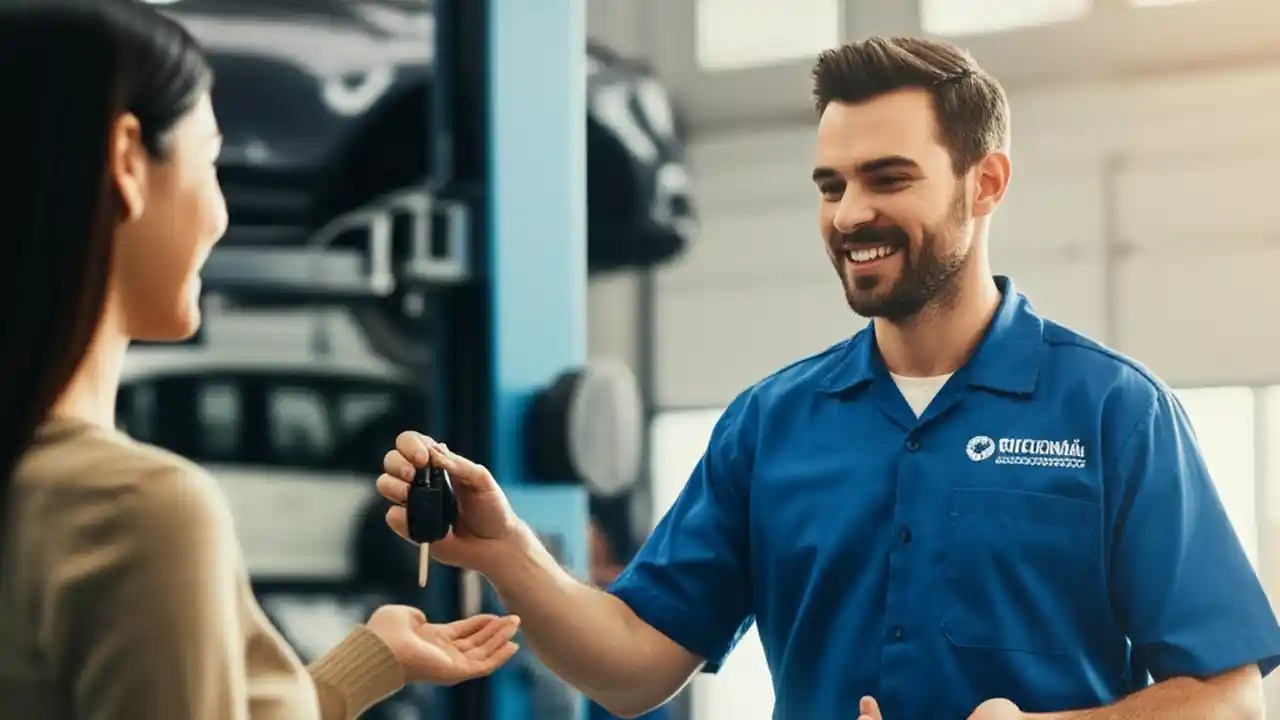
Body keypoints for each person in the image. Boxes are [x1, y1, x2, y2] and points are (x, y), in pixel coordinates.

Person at [374, 36, 1280, 719]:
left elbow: (1230, 690)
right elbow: (636, 667)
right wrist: (505, 553)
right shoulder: (771, 426)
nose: (851, 215)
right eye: (829, 185)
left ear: (986, 182)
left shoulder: (1113, 411)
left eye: (887, 179)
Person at [0, 2, 519, 719]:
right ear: (127, 161)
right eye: (210, 161)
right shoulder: (134, 513)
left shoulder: (50, 497)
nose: (220, 214)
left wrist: (370, 663)